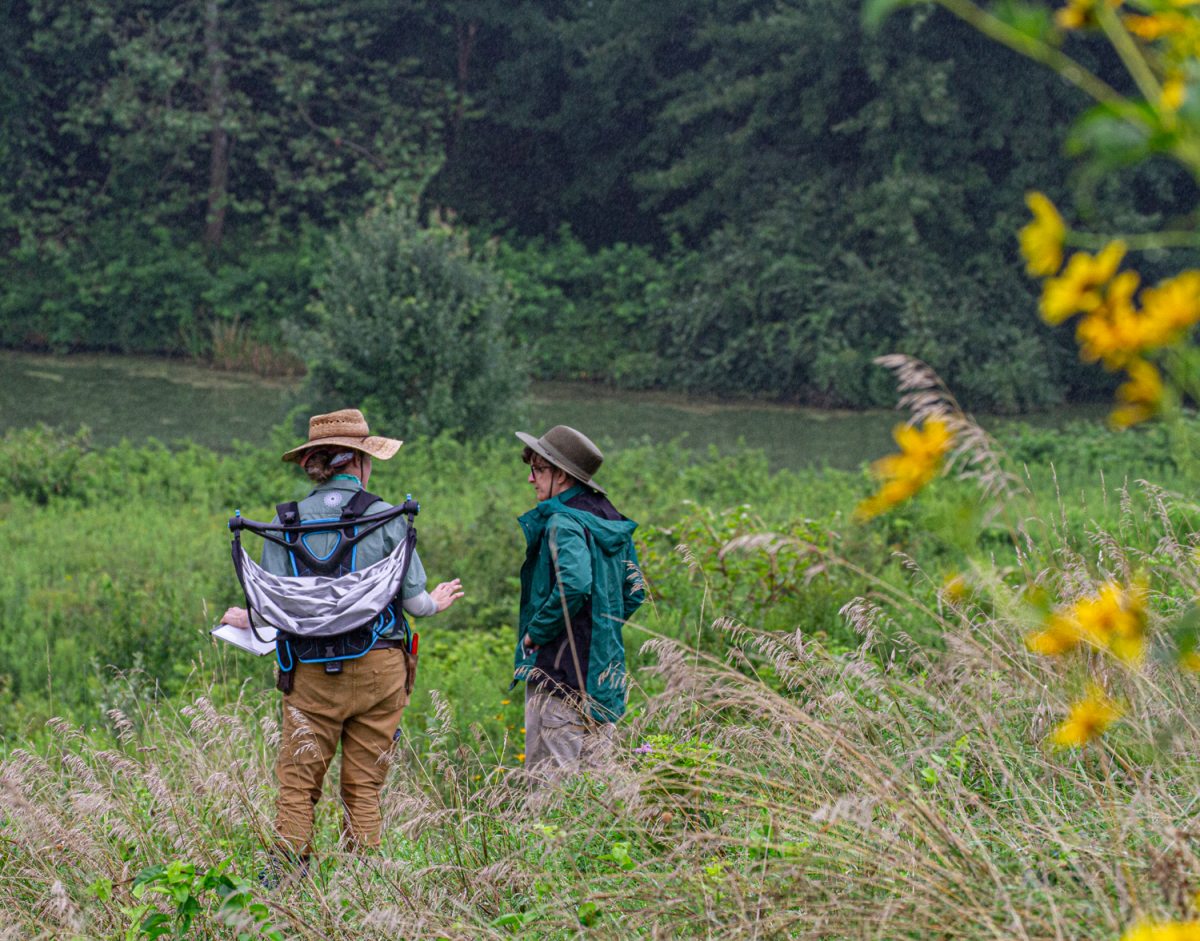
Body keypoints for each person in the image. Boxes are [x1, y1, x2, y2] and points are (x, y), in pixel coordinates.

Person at [222, 408, 463, 867]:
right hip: (380, 671)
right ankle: (365, 883)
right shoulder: (388, 518)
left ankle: (287, 881)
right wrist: (436, 601)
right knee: (364, 787)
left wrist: (244, 618)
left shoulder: (284, 522)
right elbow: (416, 606)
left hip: (310, 675)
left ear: (316, 464)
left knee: (297, 785)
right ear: (359, 460)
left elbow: (274, 611)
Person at [512, 424, 644, 774]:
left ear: (562, 475)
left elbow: (574, 584)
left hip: (558, 676)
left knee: (549, 792)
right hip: (604, 679)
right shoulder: (610, 519)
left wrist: (536, 633)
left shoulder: (563, 521)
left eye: (538, 469)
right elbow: (635, 591)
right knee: (596, 790)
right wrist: (600, 628)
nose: (531, 479)